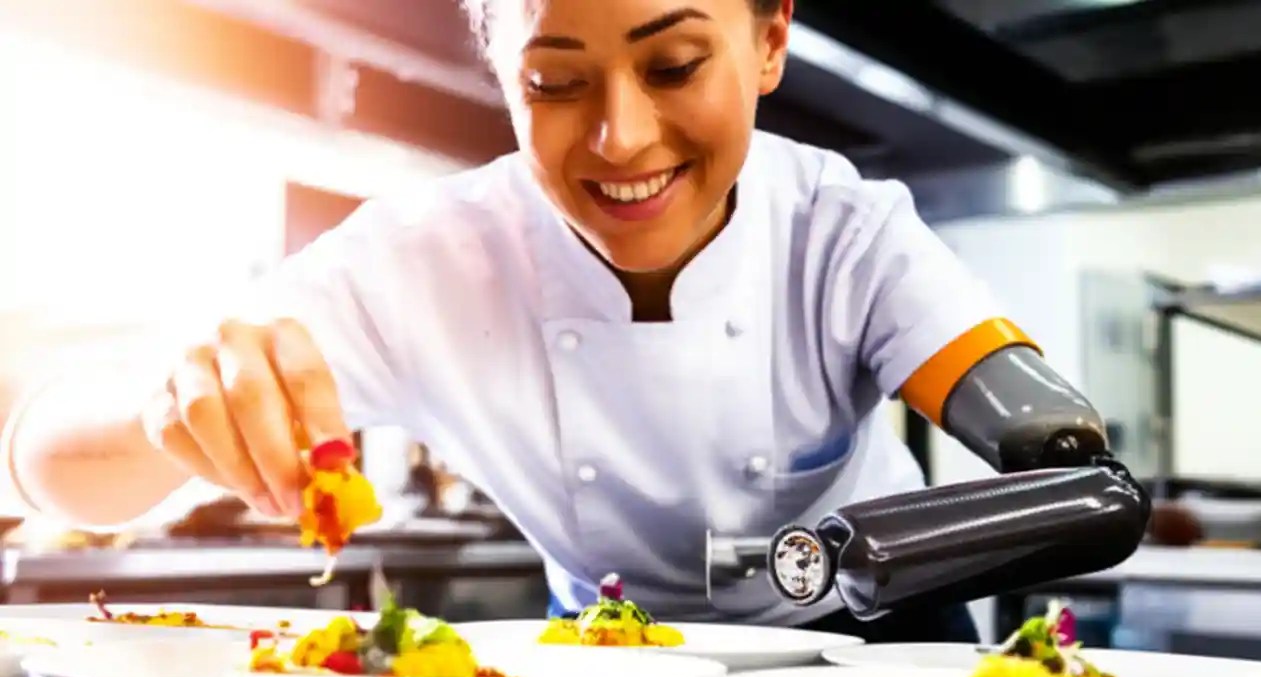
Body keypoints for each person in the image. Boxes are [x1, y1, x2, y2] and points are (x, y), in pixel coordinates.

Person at [2, 0, 1051, 643]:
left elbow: (1066, 470)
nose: (620, 136)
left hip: (873, 642)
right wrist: (166, 411)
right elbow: (42, 463)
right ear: (503, 77)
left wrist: (848, 555)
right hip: (605, 665)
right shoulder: (429, 259)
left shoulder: (845, 232)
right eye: (553, 81)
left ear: (770, 38)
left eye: (674, 65)